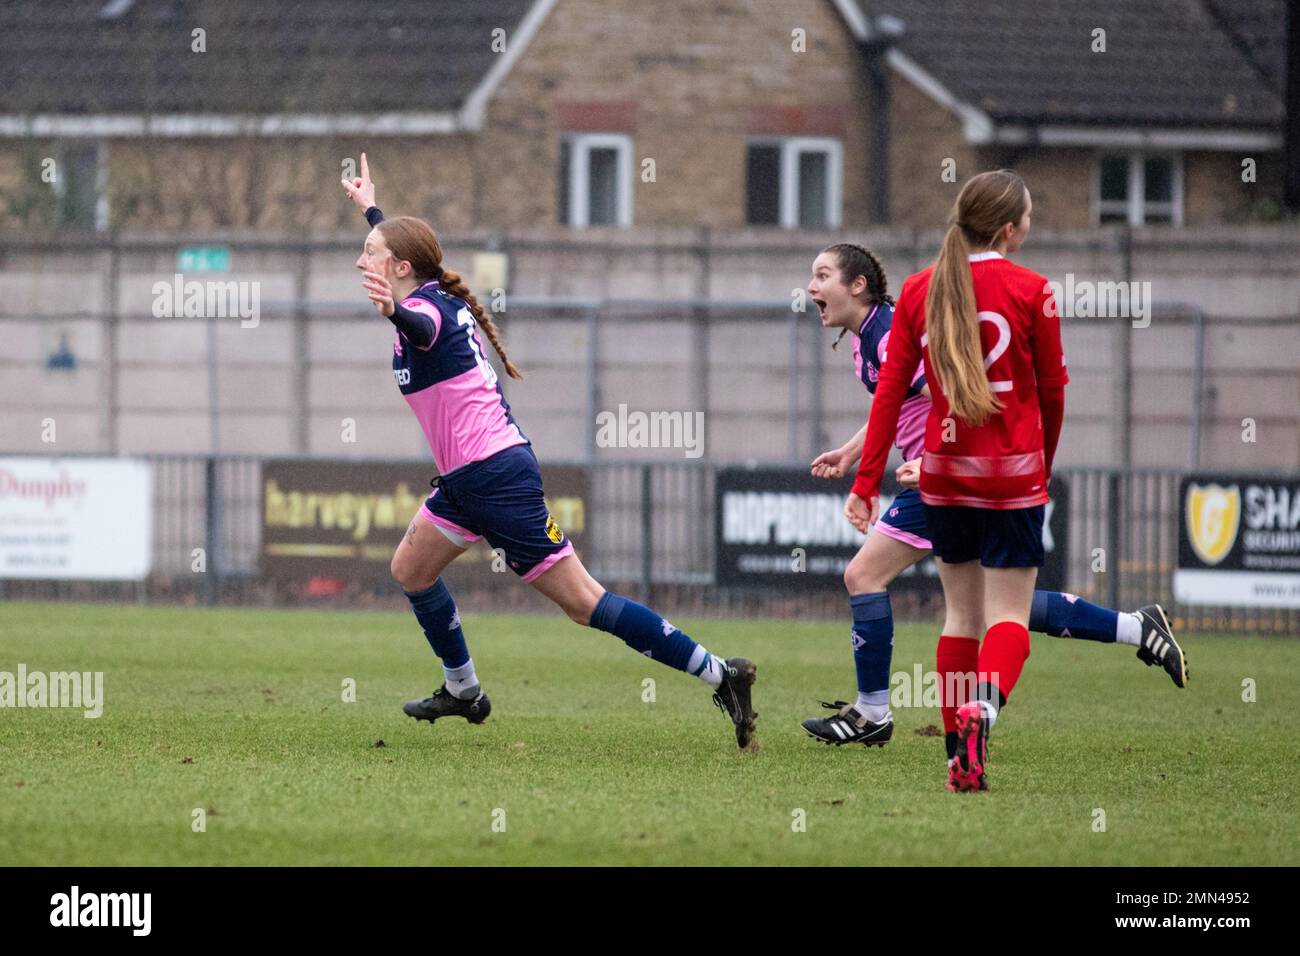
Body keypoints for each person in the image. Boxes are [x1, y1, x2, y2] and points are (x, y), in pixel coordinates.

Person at [340, 154, 758, 749]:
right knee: (410, 569)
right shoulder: (431, 292)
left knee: (585, 604)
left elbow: (420, 327)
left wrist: (392, 310)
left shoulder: (426, 311)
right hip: (467, 479)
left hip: (497, 478)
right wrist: (371, 210)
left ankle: (723, 674)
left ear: (401, 269)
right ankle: (464, 691)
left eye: (371, 252)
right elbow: (408, 283)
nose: (362, 259)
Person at [846, 171, 1186, 792]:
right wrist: (1041, 462)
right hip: (1012, 478)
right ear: (1010, 228)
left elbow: (891, 393)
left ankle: (958, 754)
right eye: (1027, 217)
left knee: (958, 618)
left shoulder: (922, 288)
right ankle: (985, 707)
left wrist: (866, 481)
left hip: (944, 477)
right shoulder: (1033, 290)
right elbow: (1053, 393)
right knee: (1008, 616)